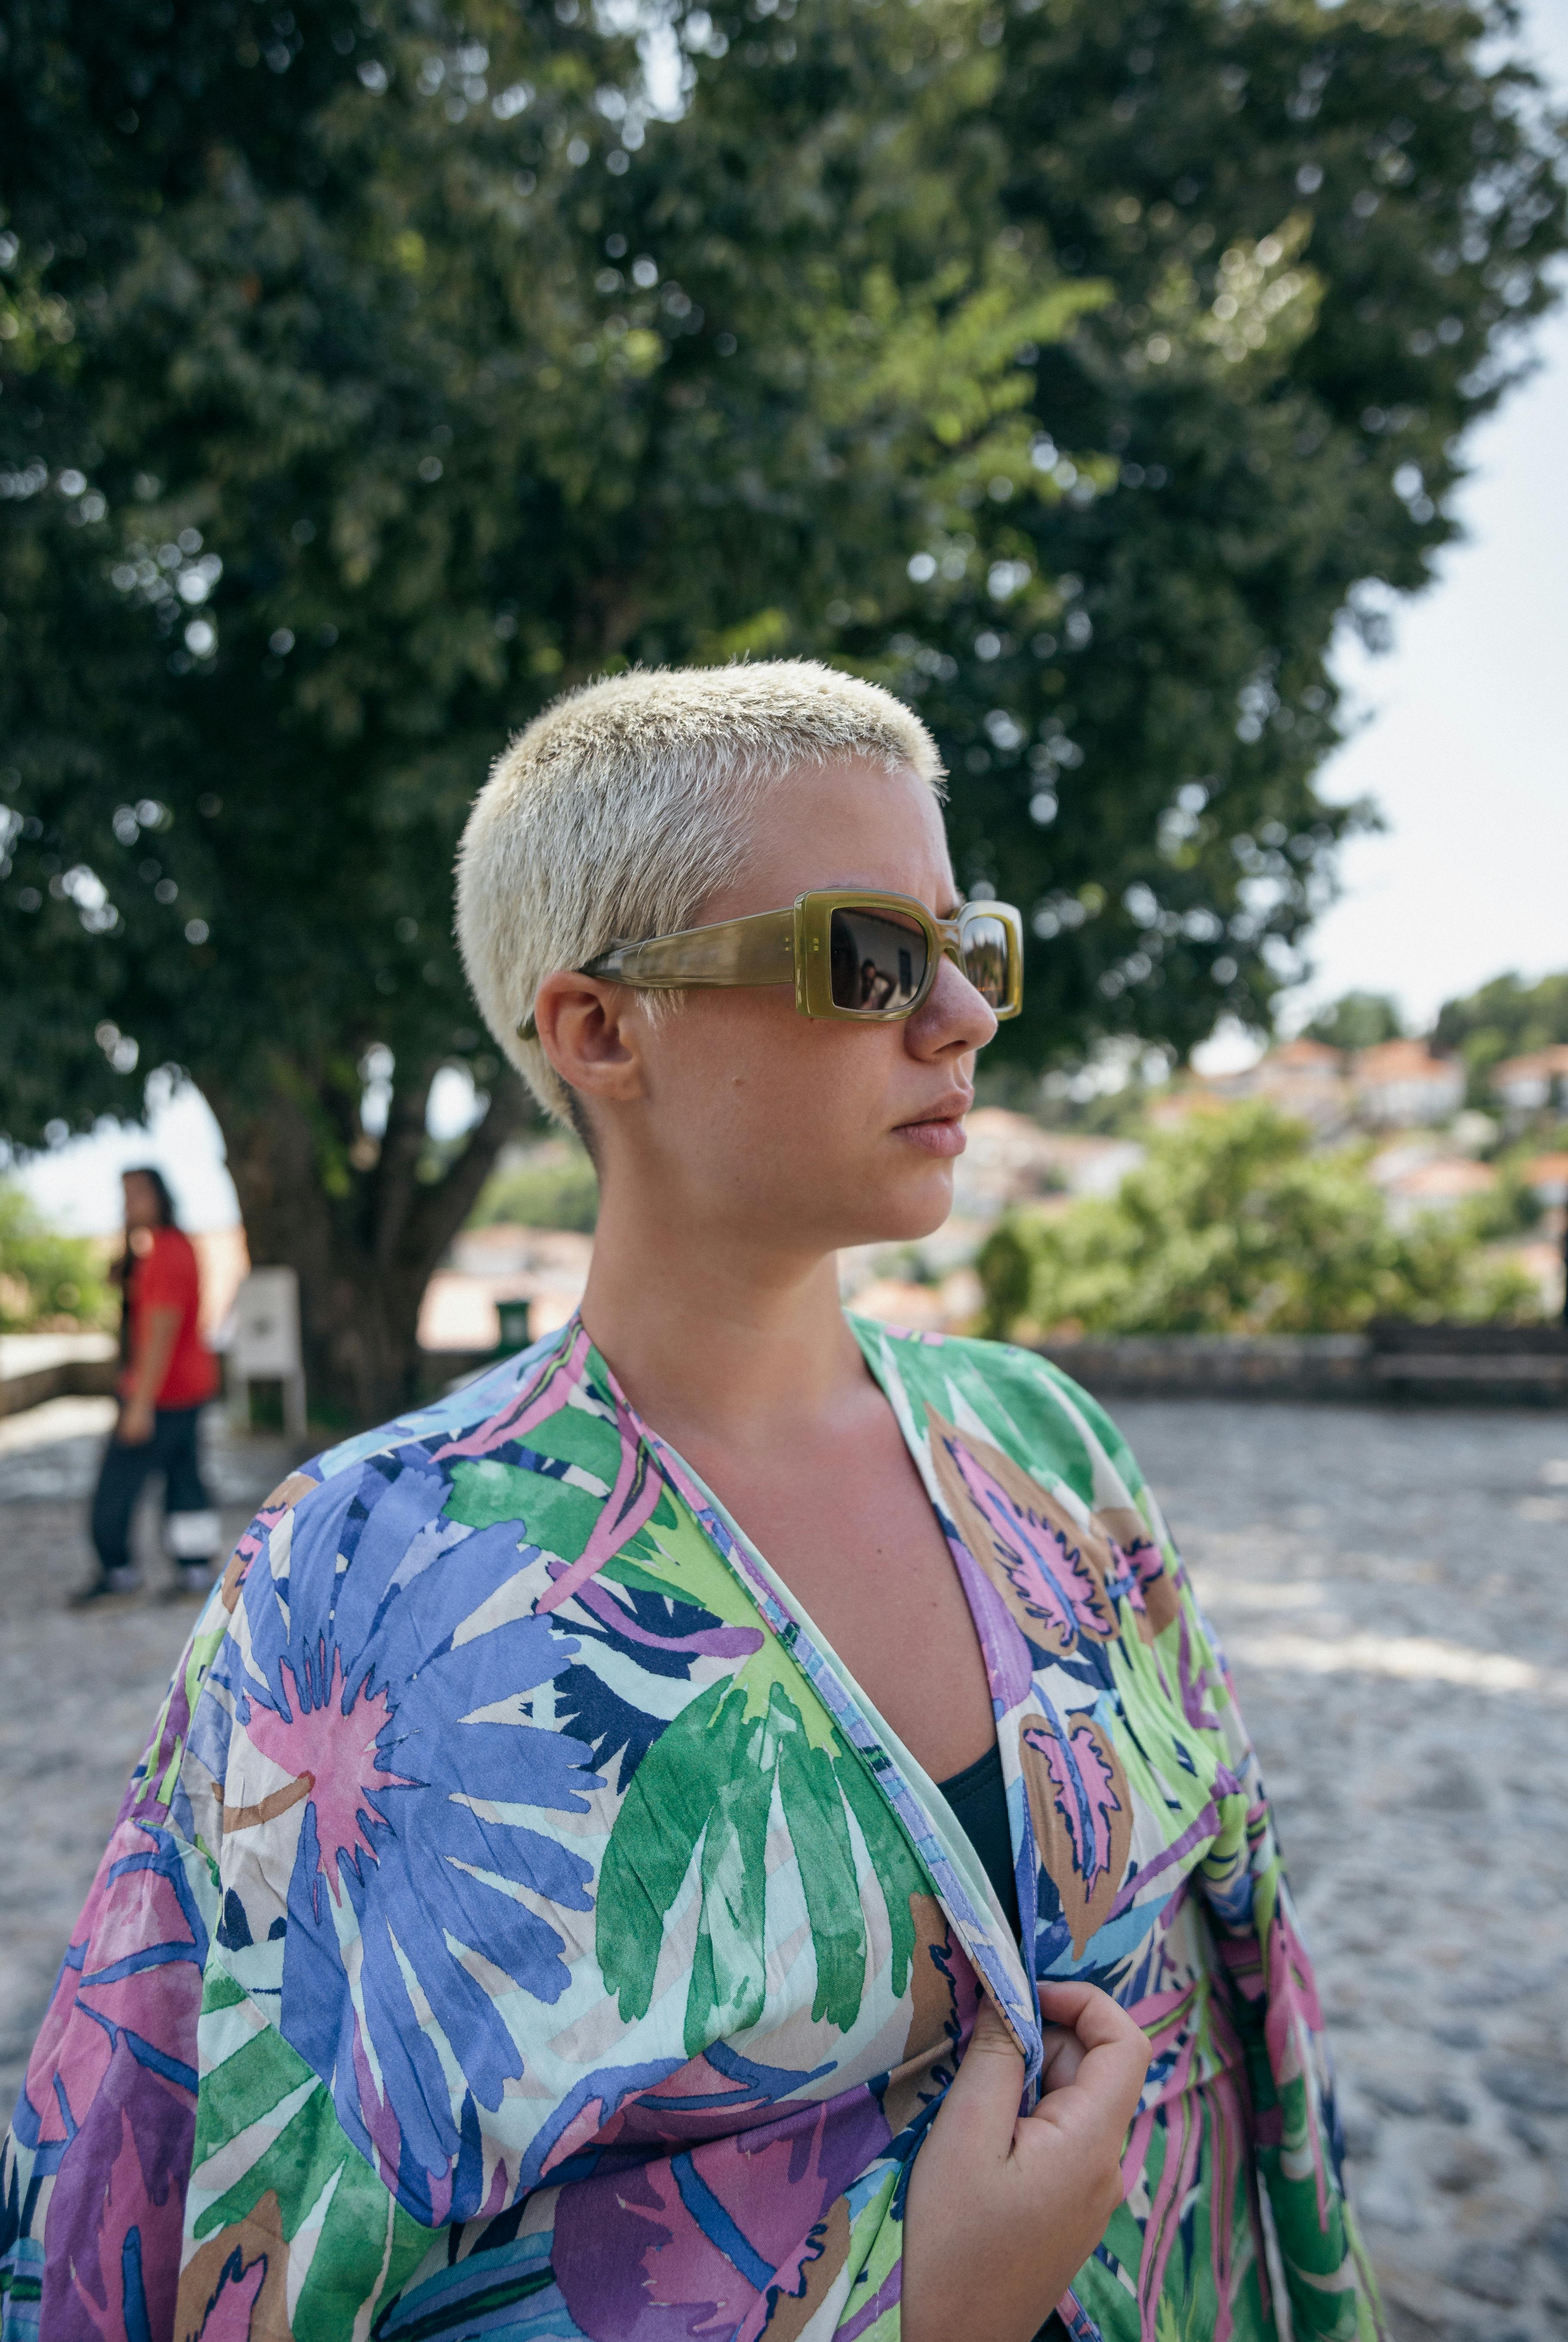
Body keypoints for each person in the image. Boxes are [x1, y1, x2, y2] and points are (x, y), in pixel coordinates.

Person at [0, 664, 1382, 2342]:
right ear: (599, 1030)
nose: (962, 1013)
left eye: (976, 945)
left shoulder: (1051, 1450)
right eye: (870, 957)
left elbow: (1247, 2004)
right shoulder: (355, 1569)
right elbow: (193, 2213)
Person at [71, 1165, 222, 1605]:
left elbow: (161, 1331)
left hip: (163, 1394)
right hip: (187, 1389)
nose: (128, 1204)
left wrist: (139, 1405)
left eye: (137, 1194)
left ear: (160, 1196)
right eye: (125, 1195)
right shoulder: (164, 1249)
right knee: (186, 1483)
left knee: (116, 1485)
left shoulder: (168, 1253)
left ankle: (118, 1570)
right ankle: (195, 1571)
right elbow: (121, 1286)